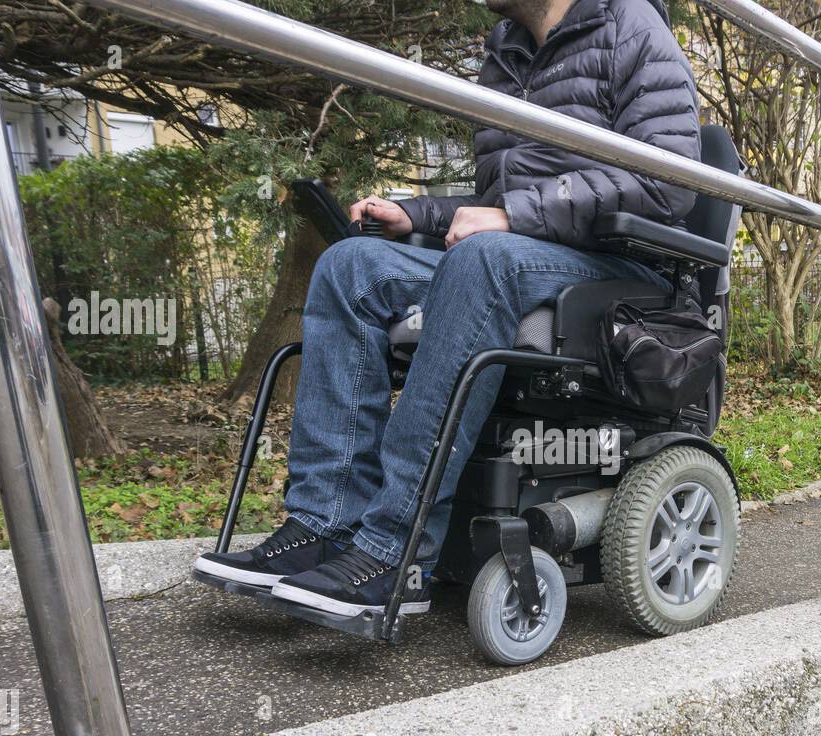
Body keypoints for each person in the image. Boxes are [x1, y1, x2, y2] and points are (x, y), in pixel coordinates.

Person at [194, 0, 701, 618]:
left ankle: (393, 551)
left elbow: (668, 184)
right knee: (351, 266)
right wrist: (421, 214)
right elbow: (493, 201)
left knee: (484, 259)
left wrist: (514, 218)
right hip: (518, 251)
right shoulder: (506, 50)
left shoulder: (632, 26)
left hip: (617, 265)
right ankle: (323, 525)